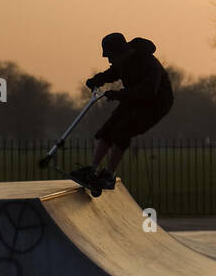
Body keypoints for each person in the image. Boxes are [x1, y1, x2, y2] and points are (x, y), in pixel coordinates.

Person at [74, 33, 173, 191]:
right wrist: (96, 80)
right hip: (134, 98)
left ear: (121, 52)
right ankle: (92, 169)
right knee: (108, 129)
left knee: (122, 131)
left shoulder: (148, 63)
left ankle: (109, 176)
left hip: (156, 103)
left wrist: (119, 94)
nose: (110, 60)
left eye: (111, 56)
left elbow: (148, 91)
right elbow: (112, 73)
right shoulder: (123, 62)